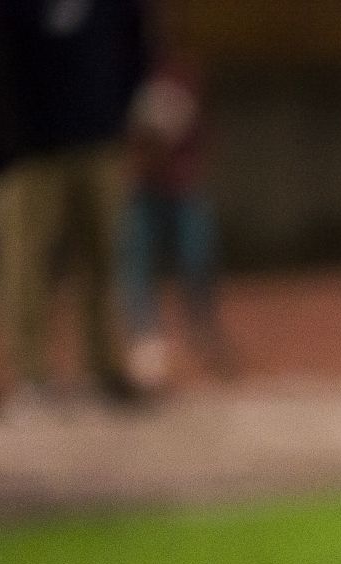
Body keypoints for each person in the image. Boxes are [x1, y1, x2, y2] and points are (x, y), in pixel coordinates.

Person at [0, 0, 151, 410]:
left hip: (100, 141)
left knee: (103, 258)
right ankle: (31, 378)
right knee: (25, 265)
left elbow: (138, 46)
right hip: (29, 151)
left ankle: (105, 368)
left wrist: (119, 112)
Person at [122, 45, 235, 386]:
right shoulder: (127, 75)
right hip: (143, 189)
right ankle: (146, 340)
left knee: (197, 257)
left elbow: (199, 130)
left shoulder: (185, 77)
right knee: (137, 264)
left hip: (183, 188)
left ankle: (202, 330)